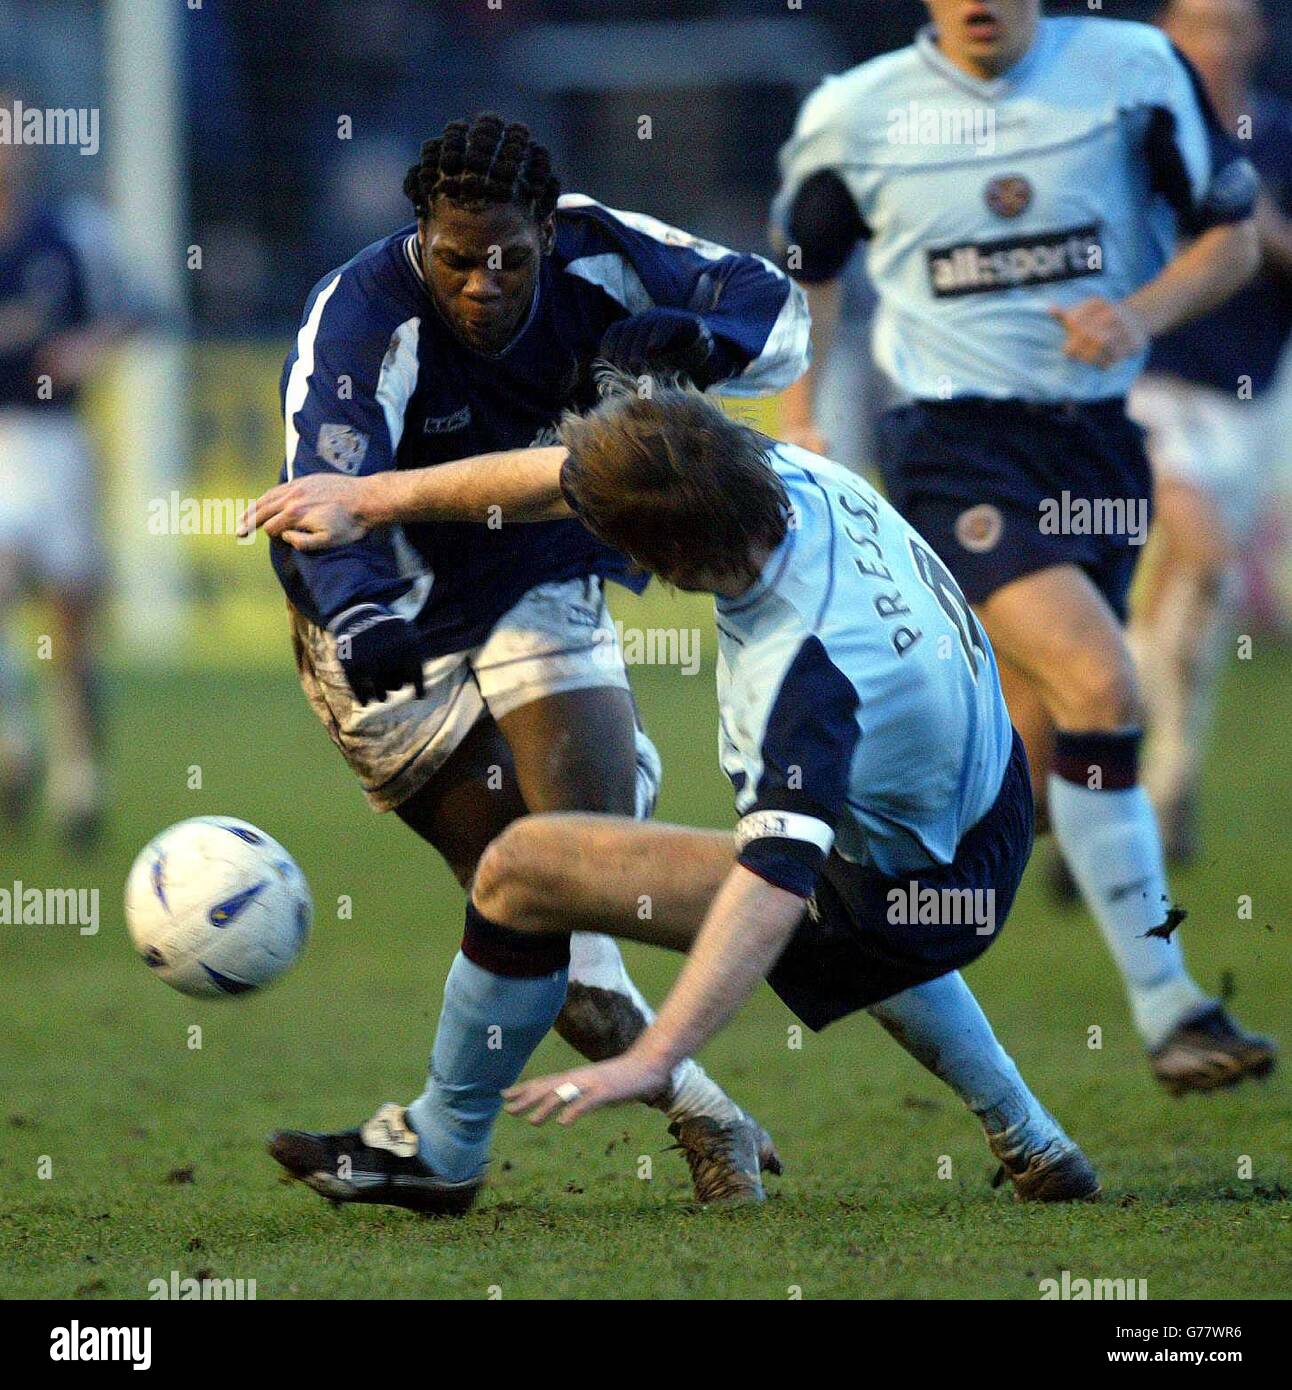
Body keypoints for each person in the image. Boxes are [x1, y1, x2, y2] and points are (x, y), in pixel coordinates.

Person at [245, 378, 1100, 1206]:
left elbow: (774, 887)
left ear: (665, 562)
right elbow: (562, 475)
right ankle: (1031, 1137)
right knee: (860, 866)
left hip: (913, 889)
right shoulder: (768, 469)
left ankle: (441, 1147)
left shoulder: (800, 677)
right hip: (985, 811)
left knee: (521, 870)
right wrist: (371, 497)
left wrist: (654, 1058)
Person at [259, 112, 810, 1208]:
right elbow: (321, 503)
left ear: (547, 232)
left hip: (541, 579)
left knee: (572, 874)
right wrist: (356, 612)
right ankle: (704, 1112)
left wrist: (693, 344)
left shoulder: (603, 247)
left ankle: (442, 1150)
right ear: (422, 237)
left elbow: (775, 308)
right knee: (538, 918)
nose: (485, 284)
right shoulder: (357, 319)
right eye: (457, 260)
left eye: (511, 257)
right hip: (394, 631)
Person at [770, 1, 1275, 1094]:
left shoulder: (1134, 72)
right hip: (950, 449)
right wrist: (800, 419)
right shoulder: (856, 111)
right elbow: (808, 268)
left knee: (1031, 753)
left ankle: (843, 909)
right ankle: (1171, 1007)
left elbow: (1230, 239)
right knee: (1102, 678)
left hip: (1097, 444)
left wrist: (1138, 315)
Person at [1126, 0, 1292, 861]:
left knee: (1198, 594)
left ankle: (1150, 772)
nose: (1216, 44)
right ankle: (1131, 769)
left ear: (1258, 38)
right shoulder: (1137, 134)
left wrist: (1265, 235)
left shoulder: (1281, 139)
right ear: (1168, 32)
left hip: (1256, 400)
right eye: (1200, 24)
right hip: (1153, 388)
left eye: (1232, 26)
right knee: (1204, 553)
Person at [0, 122, 134, 851]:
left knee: (70, 618)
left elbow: (137, 308)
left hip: (56, 443)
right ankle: (14, 743)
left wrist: (88, 346)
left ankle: (78, 782)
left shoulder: (70, 234)